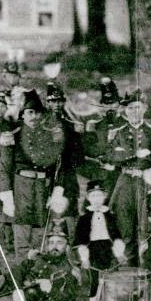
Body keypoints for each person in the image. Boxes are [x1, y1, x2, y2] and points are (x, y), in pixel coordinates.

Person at [0, 89, 70, 263]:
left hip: (42, 188)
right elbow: (4, 169)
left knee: (41, 233)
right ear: (23, 115)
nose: (34, 116)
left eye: (38, 112)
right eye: (30, 112)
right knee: (22, 234)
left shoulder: (51, 138)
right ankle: (22, 271)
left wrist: (57, 192)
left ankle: (39, 272)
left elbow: (59, 168)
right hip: (21, 187)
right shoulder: (12, 137)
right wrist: (7, 198)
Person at [0, 218, 82, 301]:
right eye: (51, 242)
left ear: (67, 246)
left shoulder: (70, 269)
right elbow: (17, 271)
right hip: (12, 287)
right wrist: (17, 289)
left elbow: (68, 298)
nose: (54, 246)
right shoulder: (37, 257)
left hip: (26, 298)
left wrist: (50, 289)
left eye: (59, 243)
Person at [106, 90, 151, 263]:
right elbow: (111, 156)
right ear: (125, 111)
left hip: (146, 181)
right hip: (125, 183)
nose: (134, 111)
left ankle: (147, 268)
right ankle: (127, 269)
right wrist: (136, 154)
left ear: (145, 109)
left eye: (138, 107)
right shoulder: (118, 132)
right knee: (125, 227)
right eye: (130, 108)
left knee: (146, 226)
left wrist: (124, 153)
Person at [75, 181, 126, 301]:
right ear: (88, 198)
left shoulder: (110, 215)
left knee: (111, 278)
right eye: (93, 196)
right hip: (93, 250)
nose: (97, 199)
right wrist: (84, 259)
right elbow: (81, 240)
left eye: (99, 195)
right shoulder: (84, 218)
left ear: (104, 197)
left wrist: (119, 254)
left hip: (108, 249)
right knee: (95, 281)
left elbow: (116, 236)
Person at [45, 82, 84, 238]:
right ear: (47, 103)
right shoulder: (41, 125)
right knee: (49, 212)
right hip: (48, 174)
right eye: (53, 101)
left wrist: (79, 136)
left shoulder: (71, 125)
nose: (56, 104)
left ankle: (72, 247)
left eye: (59, 101)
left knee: (70, 211)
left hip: (67, 175)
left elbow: (79, 158)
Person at [83, 77, 125, 194]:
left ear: (119, 103)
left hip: (121, 176)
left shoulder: (126, 124)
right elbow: (89, 151)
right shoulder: (95, 126)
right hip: (101, 179)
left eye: (113, 102)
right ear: (102, 105)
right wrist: (89, 133)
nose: (110, 107)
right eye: (106, 103)